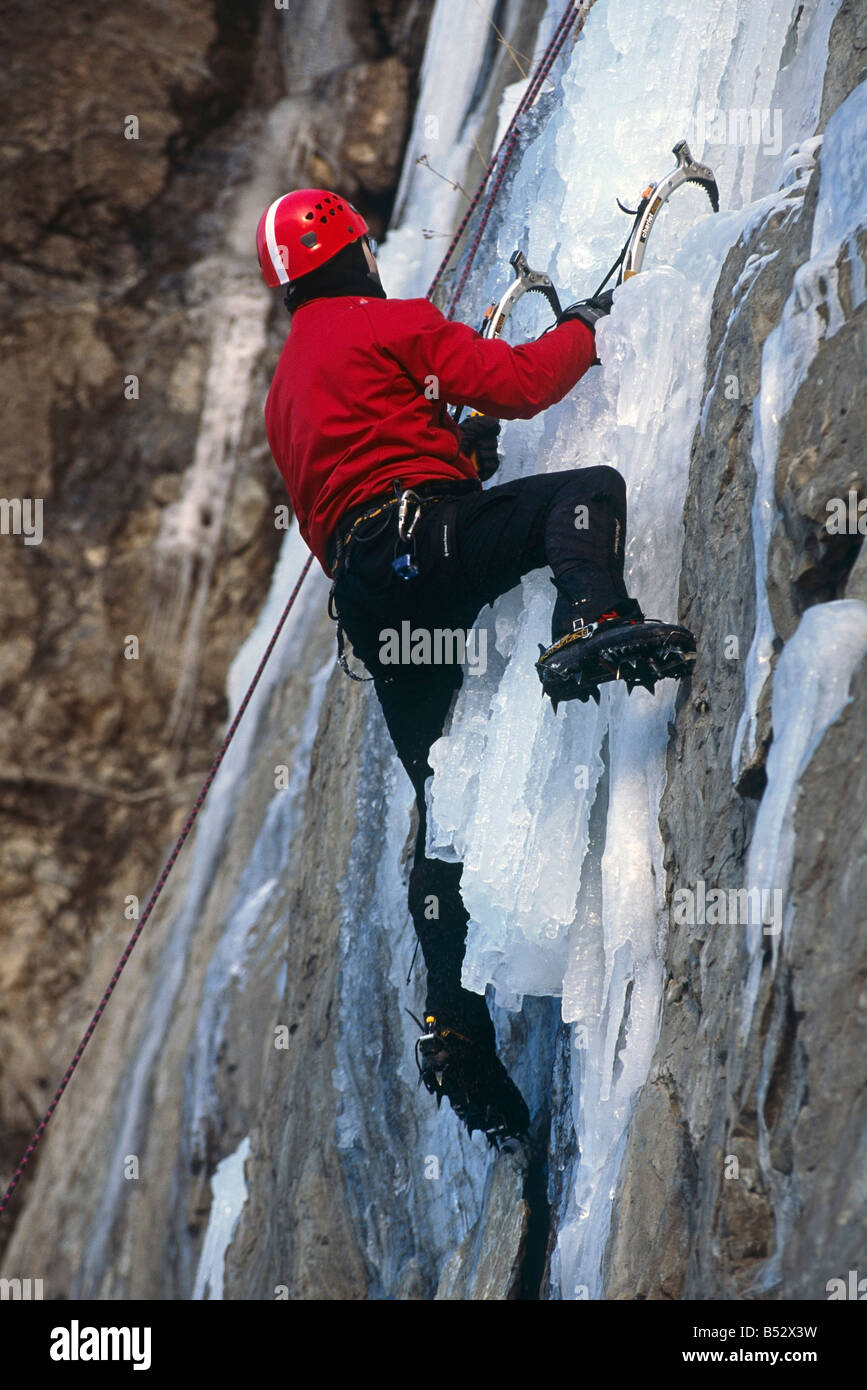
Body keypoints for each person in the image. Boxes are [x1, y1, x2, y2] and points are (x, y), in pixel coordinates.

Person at [258, 189, 694, 1146]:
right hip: (425, 541)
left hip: (375, 603)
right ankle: (594, 617)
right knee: (582, 496)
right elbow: (524, 380)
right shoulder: (391, 322)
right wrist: (580, 326)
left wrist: (451, 459)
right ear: (352, 254)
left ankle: (452, 1019)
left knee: (440, 800)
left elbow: (355, 479)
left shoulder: (281, 396)